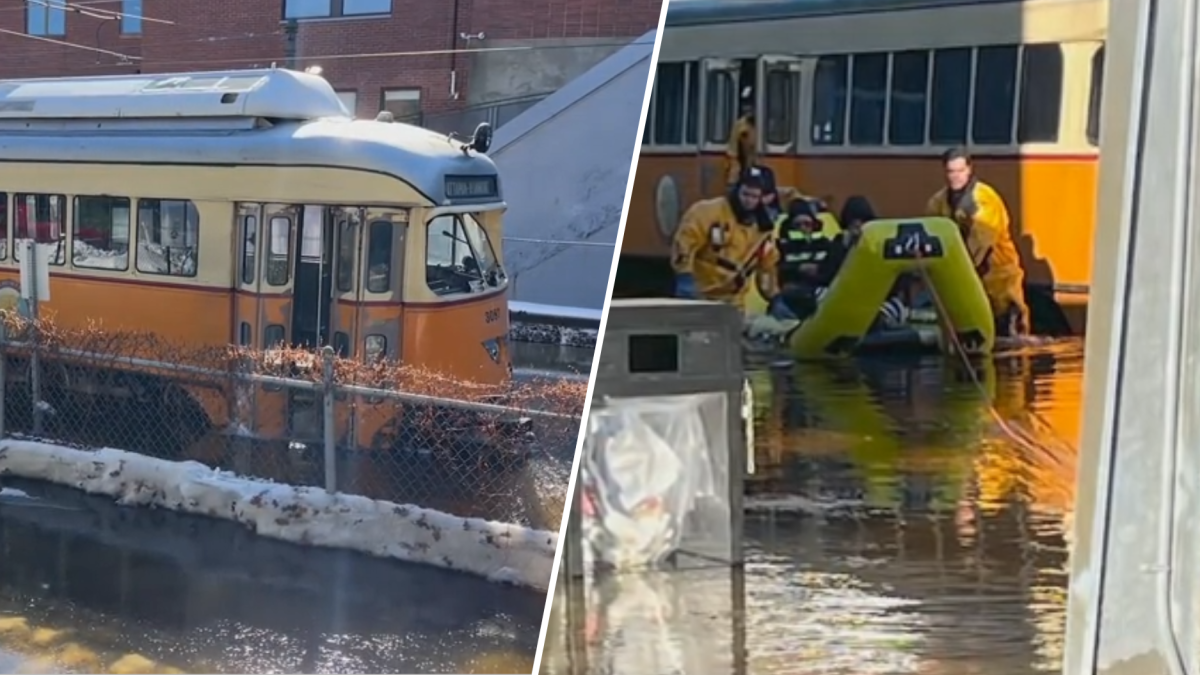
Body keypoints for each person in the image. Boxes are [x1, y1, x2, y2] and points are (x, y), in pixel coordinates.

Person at [926, 147, 1030, 336]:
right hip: (969, 284)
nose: (955, 176)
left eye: (960, 171)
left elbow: (980, 242)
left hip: (999, 284)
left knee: (1008, 336)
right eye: (951, 171)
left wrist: (958, 273)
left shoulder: (985, 200)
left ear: (969, 170)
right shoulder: (938, 202)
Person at [671, 168, 795, 320]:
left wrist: (775, 298)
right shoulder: (707, 212)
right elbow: (685, 244)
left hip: (733, 301)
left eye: (754, 196)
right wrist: (685, 277)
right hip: (699, 294)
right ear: (737, 190)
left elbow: (767, 269)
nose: (749, 200)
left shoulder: (763, 229)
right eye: (745, 194)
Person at [723, 89, 757, 186]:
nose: (747, 109)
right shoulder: (740, 125)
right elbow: (733, 153)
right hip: (746, 170)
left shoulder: (770, 126)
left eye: (751, 105)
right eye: (745, 105)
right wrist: (732, 178)